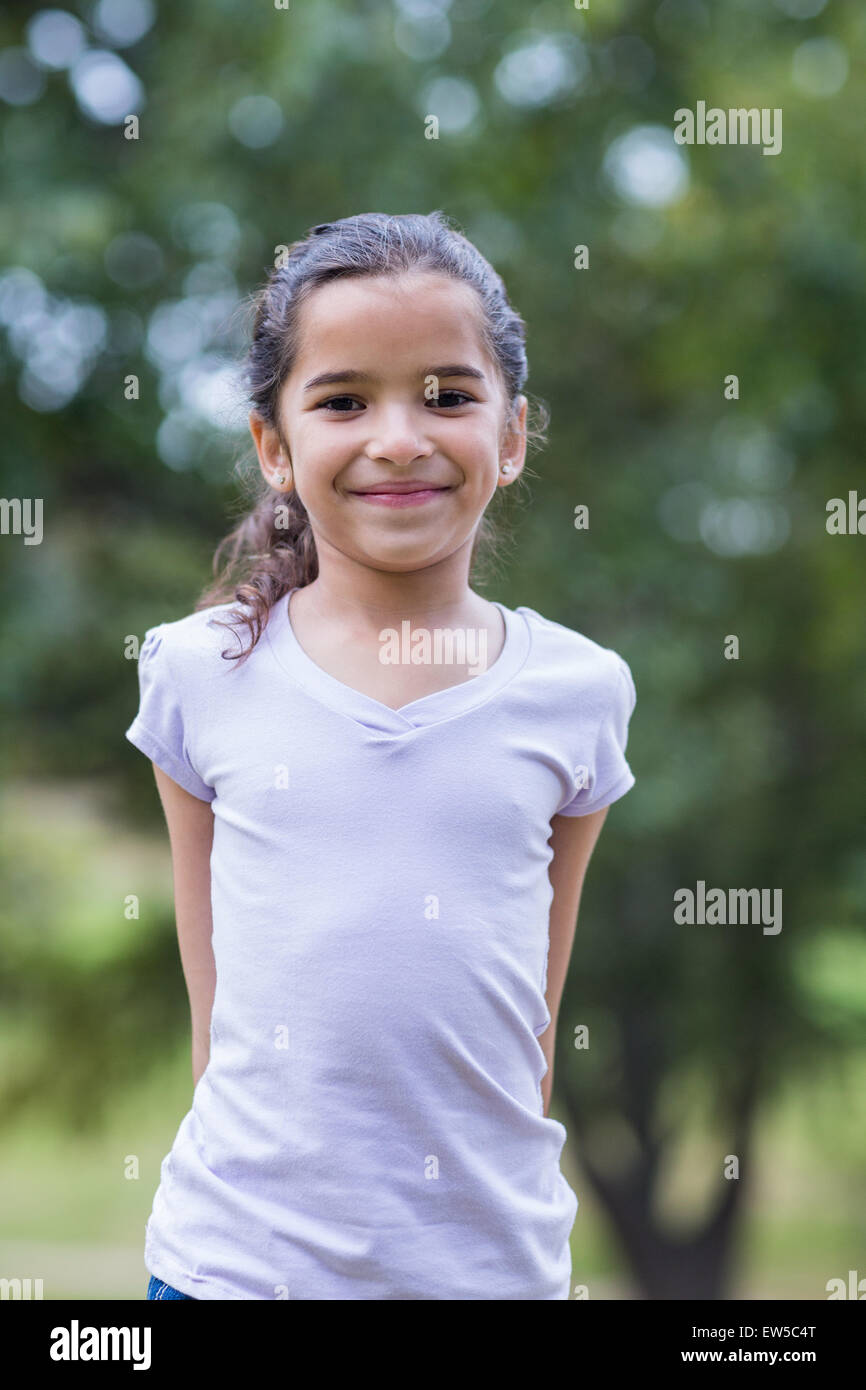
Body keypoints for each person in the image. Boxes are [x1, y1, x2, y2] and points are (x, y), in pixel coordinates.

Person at [127, 210, 637, 1301]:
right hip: (233, 1273)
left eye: (447, 395)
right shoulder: (196, 671)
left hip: (486, 1275)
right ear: (274, 445)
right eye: (344, 399)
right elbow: (215, 1017)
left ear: (510, 437)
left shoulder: (577, 693)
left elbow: (527, 1038)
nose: (399, 436)